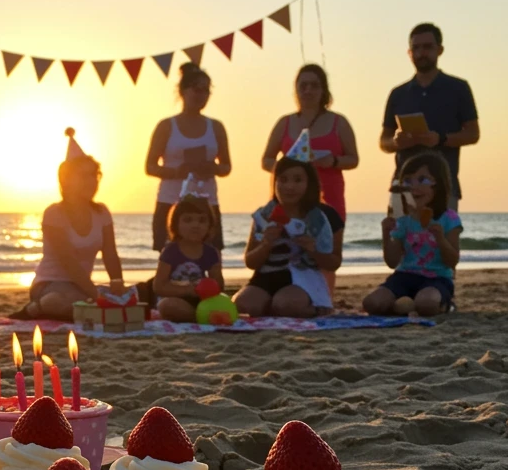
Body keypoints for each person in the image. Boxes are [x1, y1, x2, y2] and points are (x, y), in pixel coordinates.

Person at [261, 64, 357, 299]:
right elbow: (266, 159)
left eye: (314, 85)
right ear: (296, 89)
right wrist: (288, 169)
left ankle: (325, 298)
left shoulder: (338, 122)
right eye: (303, 85)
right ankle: (291, 293)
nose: (308, 90)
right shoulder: (285, 123)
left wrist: (332, 160)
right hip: (290, 196)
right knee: (289, 248)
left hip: (328, 194)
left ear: (324, 89)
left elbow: (353, 158)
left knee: (326, 248)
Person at [26, 128, 124, 320]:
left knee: (98, 303)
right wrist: (94, 293)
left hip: (81, 286)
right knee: (58, 302)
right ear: (67, 180)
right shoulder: (54, 213)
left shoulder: (102, 212)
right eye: (83, 176)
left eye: (93, 175)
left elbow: (110, 253)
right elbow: (68, 261)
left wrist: (117, 283)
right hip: (49, 284)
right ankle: (39, 306)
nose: (91, 181)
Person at [380, 23, 479, 211]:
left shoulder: (458, 88)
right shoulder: (399, 94)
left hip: (442, 184)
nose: (421, 53)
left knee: (443, 238)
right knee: (398, 237)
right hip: (403, 185)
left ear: (439, 50)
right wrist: (396, 143)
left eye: (427, 47)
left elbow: (473, 134)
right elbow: (384, 141)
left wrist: (440, 139)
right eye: (416, 48)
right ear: (409, 53)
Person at [232, 158, 341, 318]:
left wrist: (313, 251)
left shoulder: (317, 219)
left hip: (303, 277)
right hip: (266, 275)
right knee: (243, 306)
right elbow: (250, 262)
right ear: (274, 182)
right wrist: (266, 244)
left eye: (298, 180)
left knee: (284, 305)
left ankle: (318, 309)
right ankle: (272, 307)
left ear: (309, 184)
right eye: (283, 180)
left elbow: (334, 263)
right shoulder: (264, 215)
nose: (290, 186)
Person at [145, 62, 231, 252]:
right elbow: (150, 167)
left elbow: (226, 167)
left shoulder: (216, 127)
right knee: (170, 261)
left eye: (206, 91)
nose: (201, 95)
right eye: (196, 89)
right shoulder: (166, 126)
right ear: (183, 91)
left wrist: (213, 168)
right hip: (171, 202)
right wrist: (176, 171)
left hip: (206, 203)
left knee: (211, 258)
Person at [363, 152, 461, 317]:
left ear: (438, 185)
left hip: (437, 278)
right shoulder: (403, 219)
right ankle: (405, 304)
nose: (413, 186)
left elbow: (452, 261)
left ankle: (444, 305)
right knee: (372, 303)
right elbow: (392, 262)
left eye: (423, 180)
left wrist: (440, 239)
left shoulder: (448, 218)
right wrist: (386, 235)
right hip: (405, 275)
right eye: (407, 180)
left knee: (426, 304)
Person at [152, 193, 225, 322]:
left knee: (225, 301)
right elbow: (159, 286)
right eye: (188, 220)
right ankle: (198, 317)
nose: (195, 225)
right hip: (176, 298)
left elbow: (218, 285)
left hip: (202, 299)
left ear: (209, 226)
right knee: (167, 306)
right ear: (176, 224)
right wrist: (187, 290)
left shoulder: (210, 252)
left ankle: (202, 315)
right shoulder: (171, 251)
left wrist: (209, 287)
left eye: (202, 220)